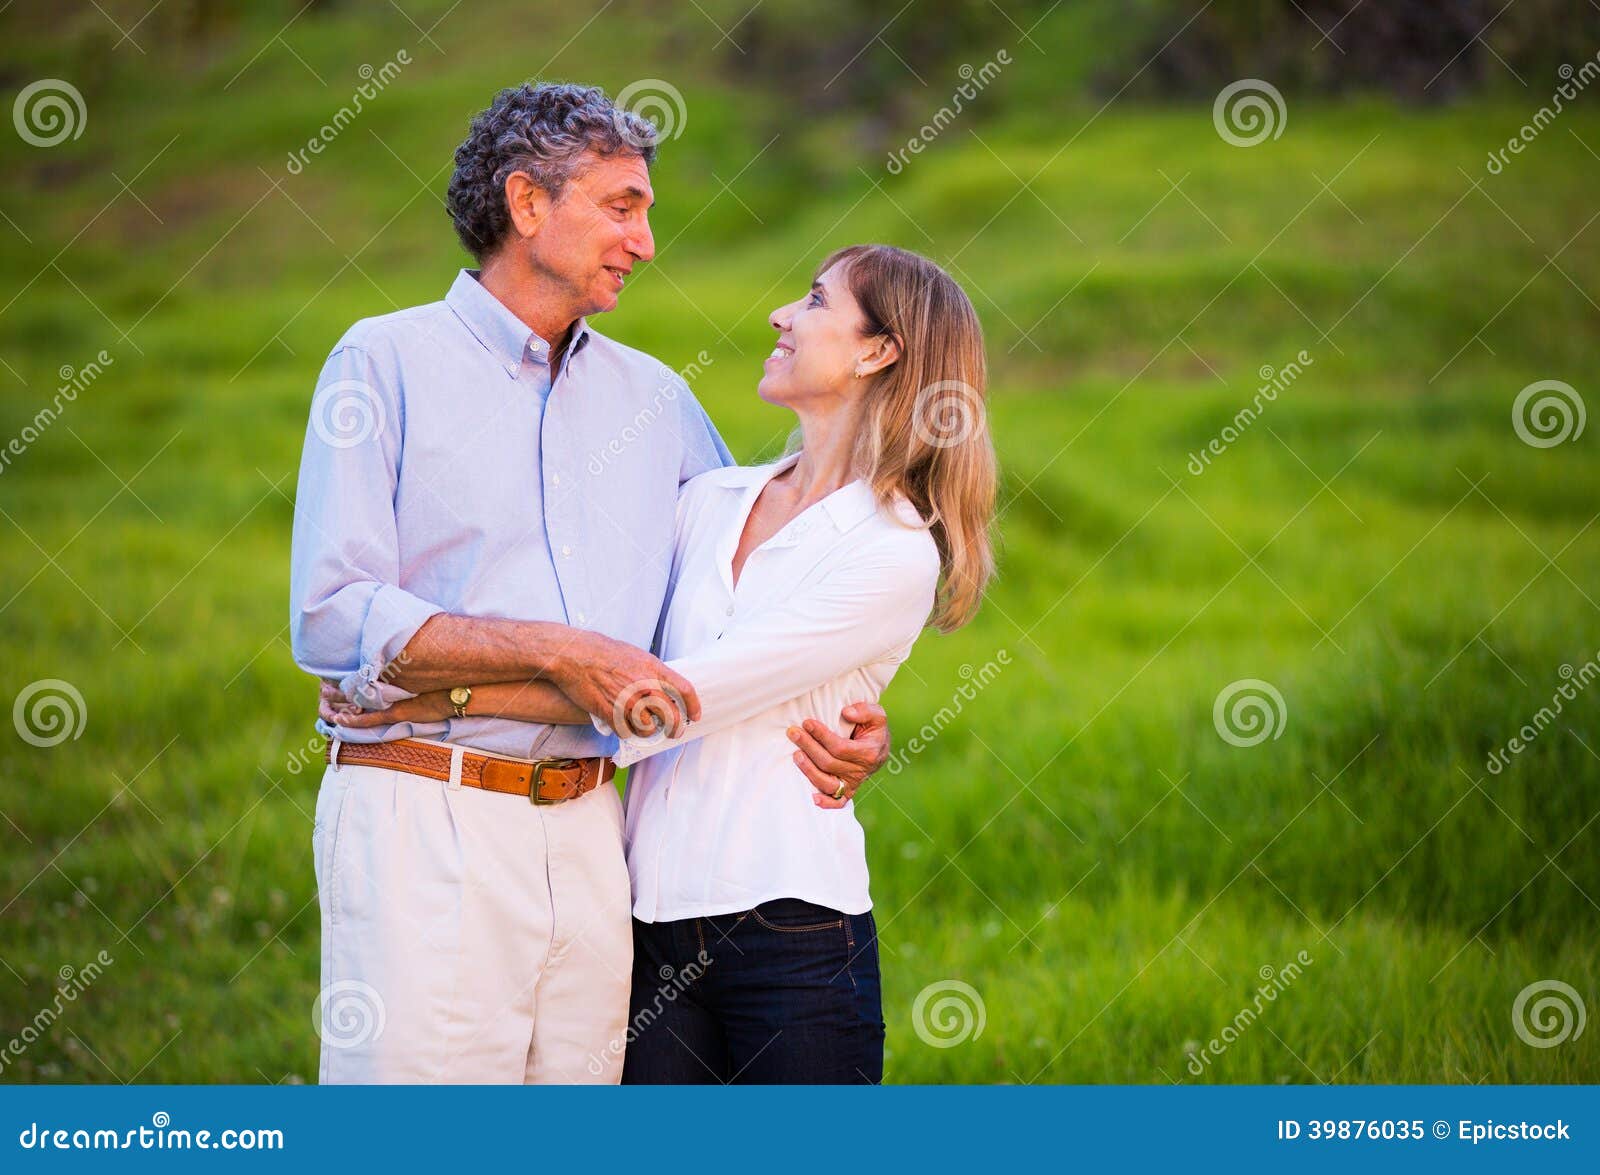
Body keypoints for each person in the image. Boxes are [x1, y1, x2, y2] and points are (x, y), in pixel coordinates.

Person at [290, 83, 893, 1085]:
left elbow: (727, 614)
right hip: (424, 814)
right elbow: (334, 613)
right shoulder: (383, 362)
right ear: (528, 204)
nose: (645, 240)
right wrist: (560, 651)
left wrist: (852, 711)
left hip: (595, 830)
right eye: (622, 206)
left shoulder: (657, 400)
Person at [333, 244, 998, 1083]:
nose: (783, 315)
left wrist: (438, 690)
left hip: (789, 930)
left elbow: (670, 696)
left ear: (878, 351)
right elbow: (619, 643)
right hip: (647, 923)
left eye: (816, 301)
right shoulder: (713, 499)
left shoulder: (892, 550)